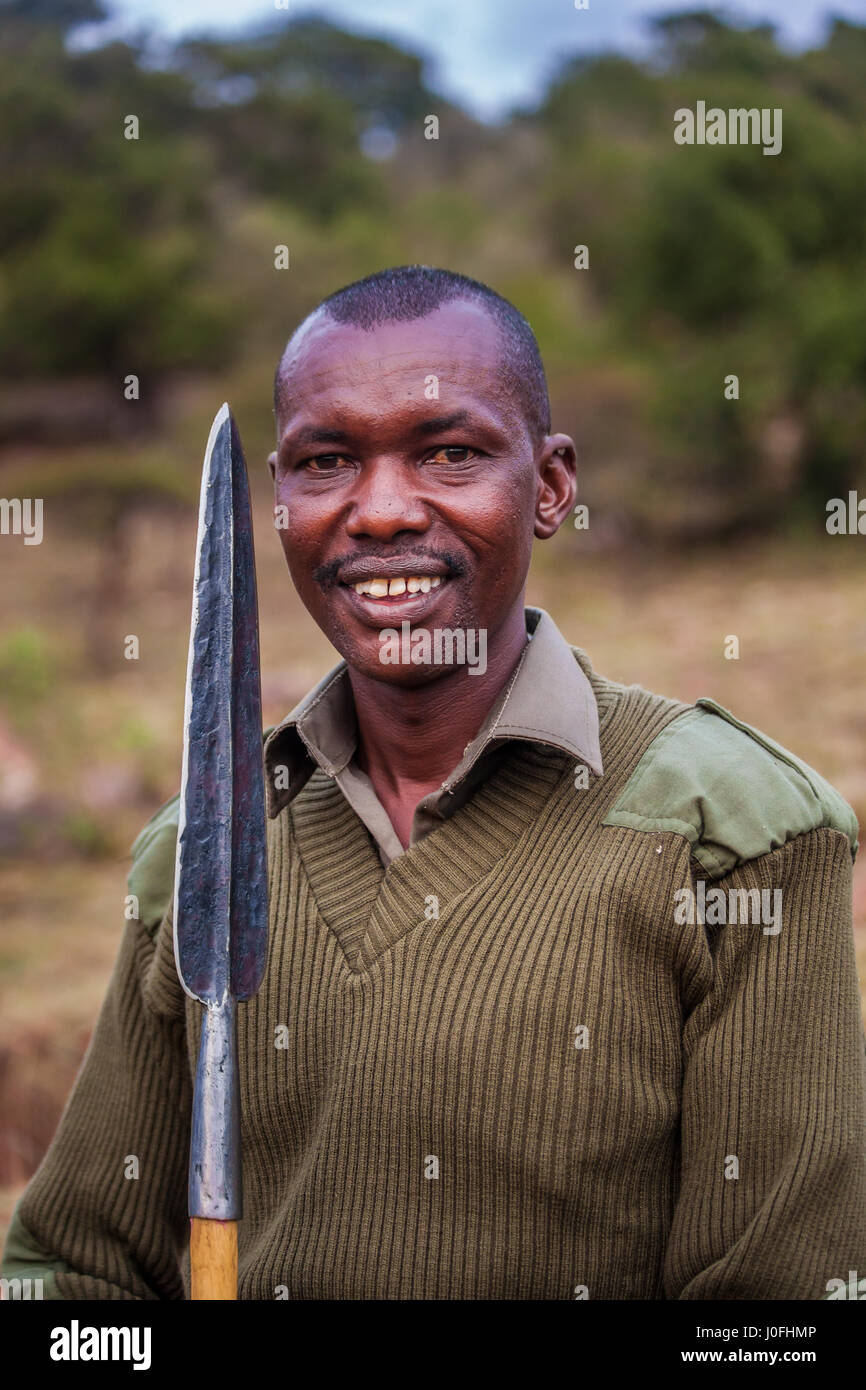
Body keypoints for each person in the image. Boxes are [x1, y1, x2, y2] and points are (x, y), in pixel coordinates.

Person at [3, 265, 865, 1300]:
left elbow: (777, 1317)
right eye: (326, 463)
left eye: (447, 454)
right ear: (279, 500)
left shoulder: (732, 833)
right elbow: (64, 1275)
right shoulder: (201, 852)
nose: (377, 512)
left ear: (547, 488)